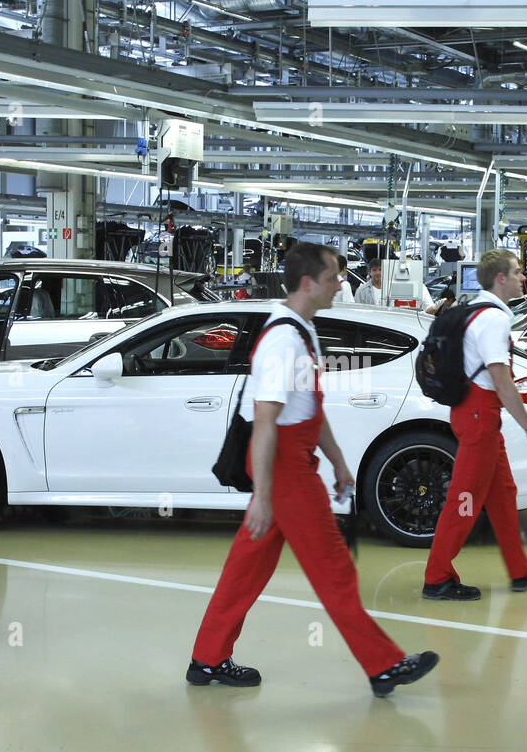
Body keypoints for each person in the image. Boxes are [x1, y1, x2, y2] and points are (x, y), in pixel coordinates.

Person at [188, 241, 439, 697]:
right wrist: (264, 496)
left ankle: (207, 658)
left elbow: (309, 408)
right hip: (283, 469)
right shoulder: (283, 341)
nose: (341, 284)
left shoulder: (302, 329)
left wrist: (340, 461)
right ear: (308, 284)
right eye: (332, 278)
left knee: (247, 566)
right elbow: (265, 422)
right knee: (333, 568)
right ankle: (382, 665)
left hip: (293, 461)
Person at [422, 248, 527, 601]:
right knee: (463, 501)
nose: (523, 277)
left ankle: (519, 570)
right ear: (501, 278)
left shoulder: (478, 311)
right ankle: (437, 578)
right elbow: (502, 382)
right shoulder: (494, 319)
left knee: (503, 494)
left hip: (478, 415)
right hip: (480, 416)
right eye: (517, 272)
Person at [354, 259, 439, 313]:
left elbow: (428, 308)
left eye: (380, 269)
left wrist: (435, 308)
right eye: (374, 270)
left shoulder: (420, 287)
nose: (377, 273)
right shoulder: (363, 290)